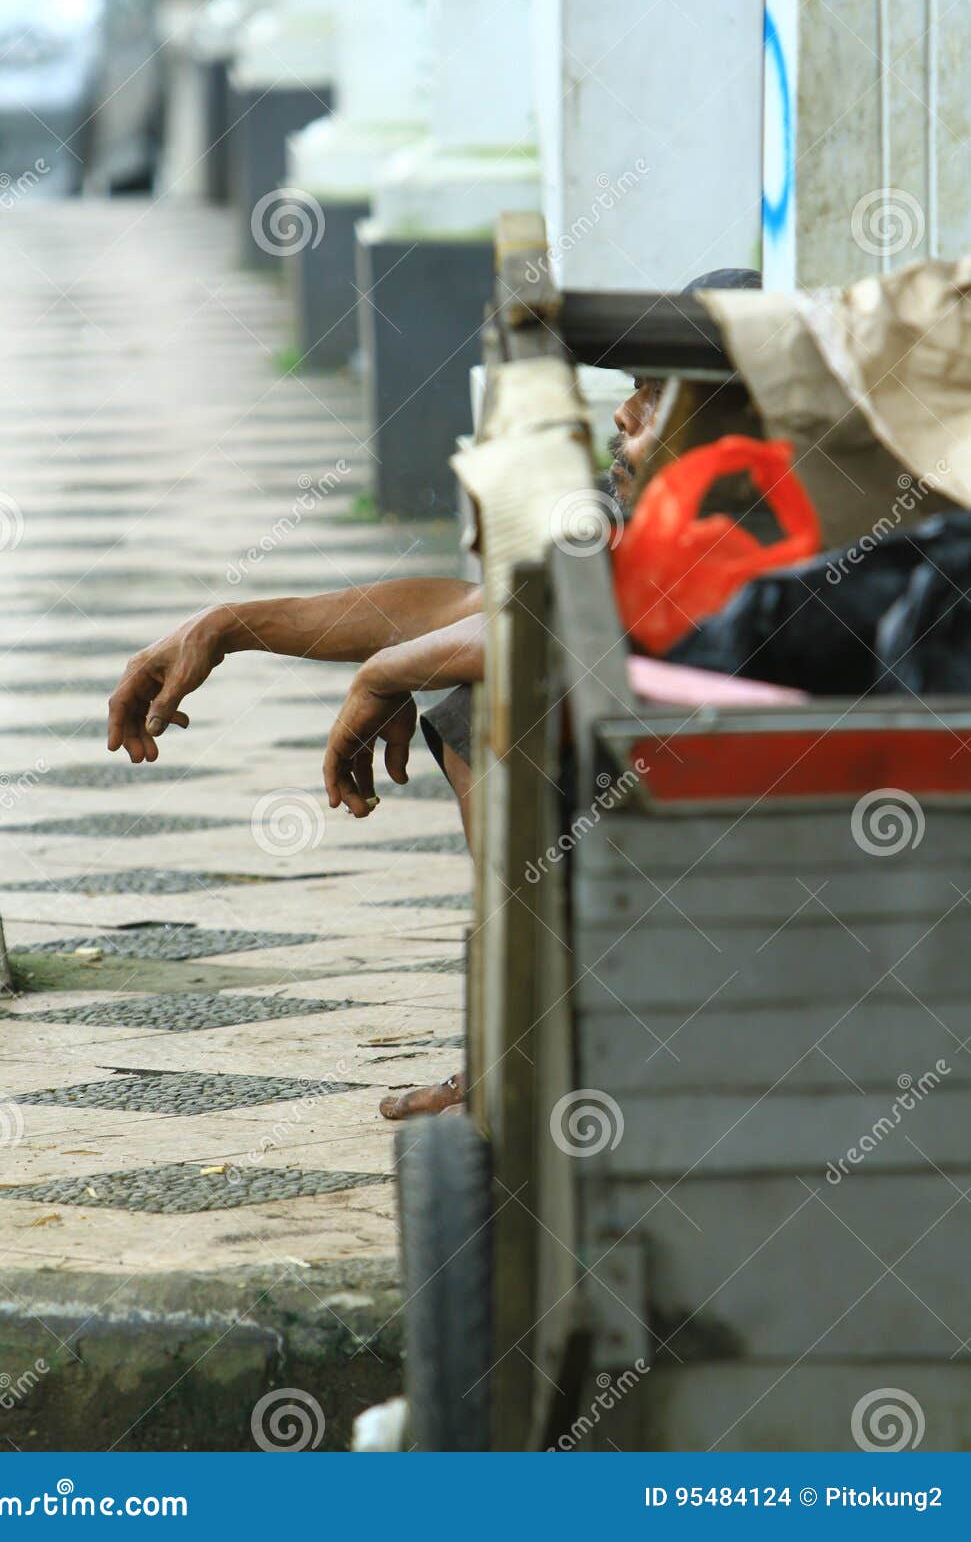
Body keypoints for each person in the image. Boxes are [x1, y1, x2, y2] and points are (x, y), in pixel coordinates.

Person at [107, 267, 762, 1119]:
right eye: (633, 390)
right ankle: (522, 1035)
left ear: (741, 411)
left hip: (751, 836)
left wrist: (388, 672)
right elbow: (470, 609)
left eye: (656, 394)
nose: (624, 416)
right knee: (473, 693)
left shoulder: (757, 512)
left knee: (484, 707)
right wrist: (230, 625)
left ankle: (531, 1050)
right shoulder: (649, 501)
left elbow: (551, 626)